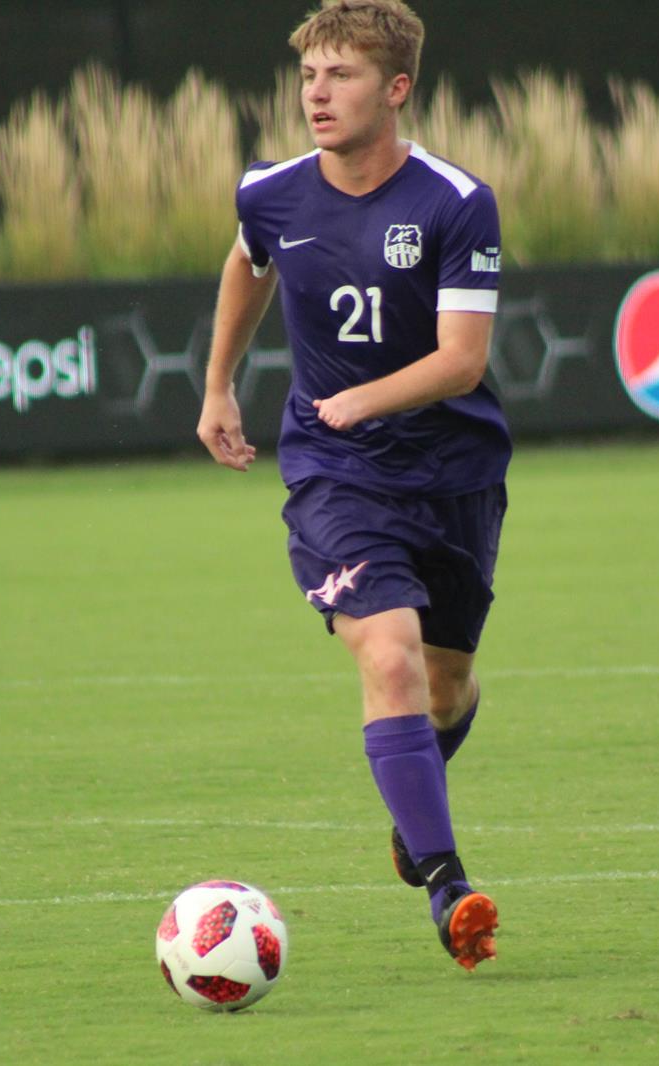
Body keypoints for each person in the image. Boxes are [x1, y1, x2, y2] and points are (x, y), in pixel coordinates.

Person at [196, 0, 509, 971]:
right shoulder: (272, 193)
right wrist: (217, 384)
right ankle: (449, 884)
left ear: (397, 88)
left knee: (446, 686)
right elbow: (249, 262)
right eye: (309, 77)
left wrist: (362, 396)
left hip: (453, 470)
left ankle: (410, 807)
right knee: (389, 654)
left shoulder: (458, 201)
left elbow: (461, 360)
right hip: (337, 474)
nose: (317, 95)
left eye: (341, 76)